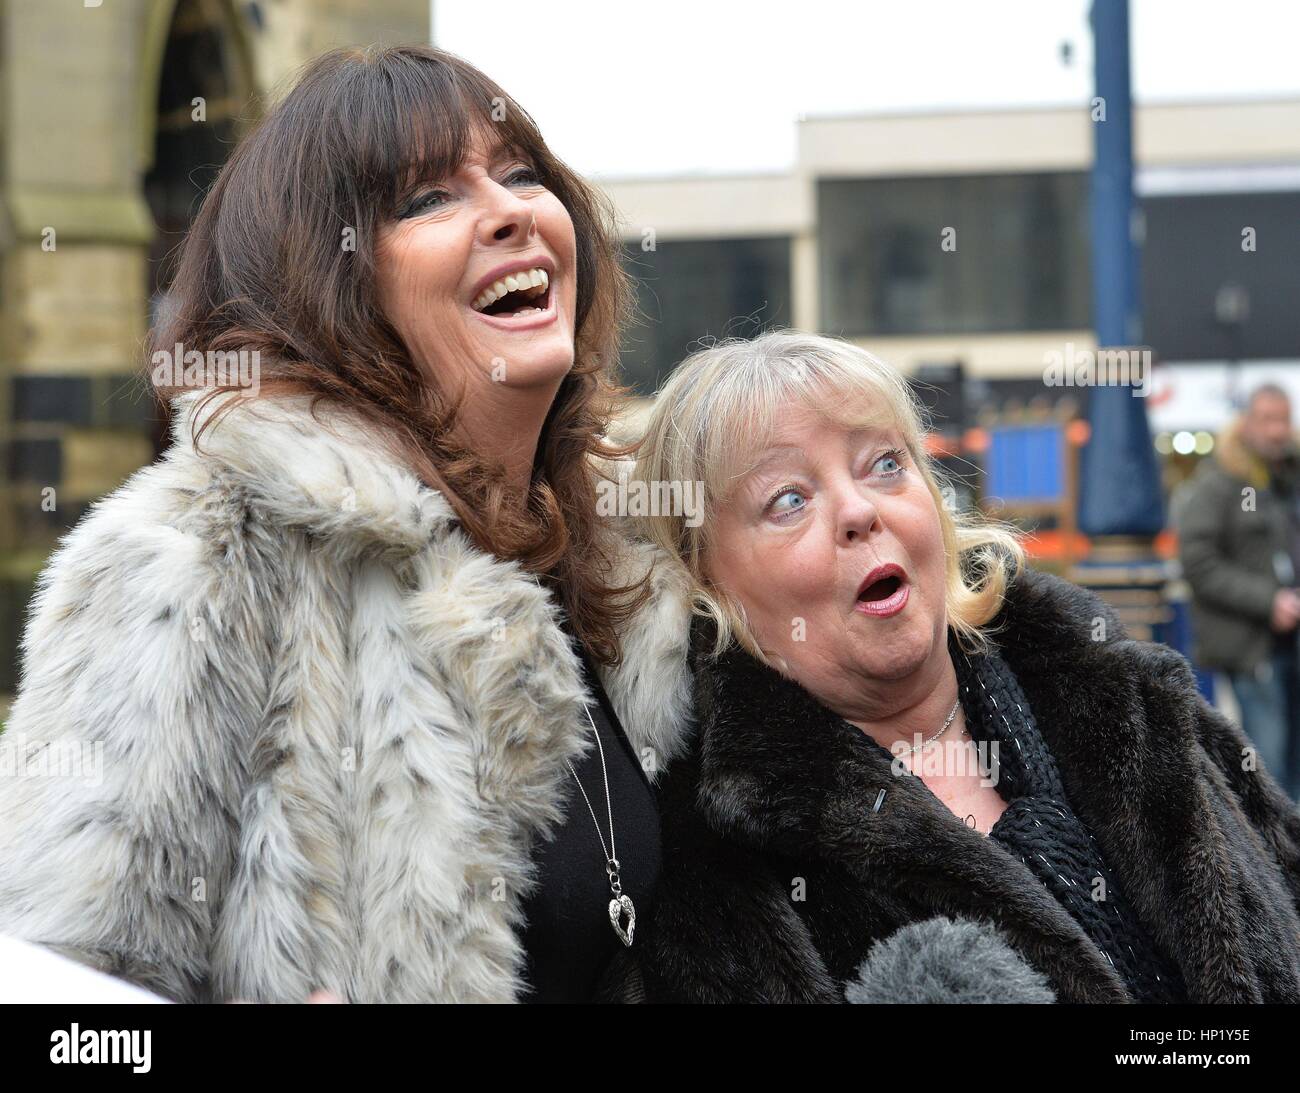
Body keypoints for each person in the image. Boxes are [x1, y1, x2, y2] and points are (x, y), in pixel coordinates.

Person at [0, 45, 699, 1004]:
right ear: (325, 284)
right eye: (425, 199)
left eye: (521, 173)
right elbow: (59, 1016)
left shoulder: (619, 564)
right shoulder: (192, 562)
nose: (510, 211)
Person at [625, 330, 1300, 1003]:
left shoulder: (1121, 685)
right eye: (788, 500)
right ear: (705, 581)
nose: (860, 510)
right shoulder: (708, 857)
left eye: (885, 464)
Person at [1179, 383, 1300, 800]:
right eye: (1267, 419)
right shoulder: (1219, 484)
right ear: (1246, 422)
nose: (1277, 430)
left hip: (1291, 644)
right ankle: (1278, 855)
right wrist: (1268, 601)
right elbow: (1198, 562)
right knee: (1270, 762)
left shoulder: (1287, 478)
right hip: (1251, 645)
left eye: (1283, 419)